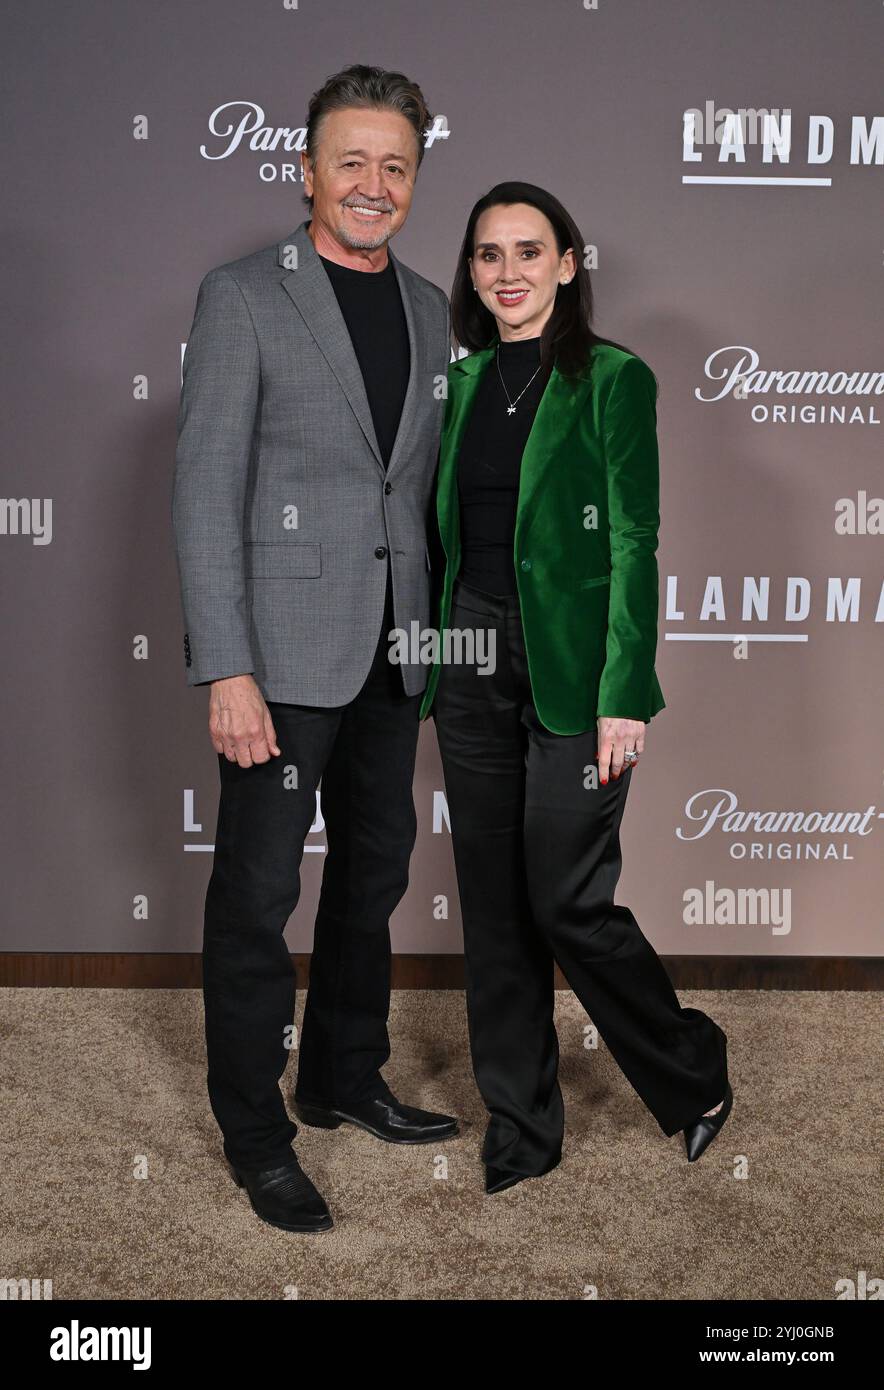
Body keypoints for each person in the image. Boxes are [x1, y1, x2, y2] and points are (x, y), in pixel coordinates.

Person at [172, 64, 457, 1234]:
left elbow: (419, 491)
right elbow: (203, 488)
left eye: (394, 166)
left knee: (375, 872)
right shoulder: (243, 294)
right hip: (279, 658)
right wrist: (225, 665)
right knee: (255, 894)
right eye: (351, 161)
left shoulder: (434, 307)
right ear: (305, 171)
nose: (372, 185)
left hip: (395, 649)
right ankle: (256, 1133)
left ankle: (342, 1074)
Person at [421, 182, 733, 1194]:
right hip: (469, 653)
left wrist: (623, 689)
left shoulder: (611, 379)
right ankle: (520, 1122)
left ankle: (689, 1068)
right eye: (485, 255)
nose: (505, 272)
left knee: (563, 892)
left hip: (574, 665)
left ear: (566, 264)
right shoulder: (459, 385)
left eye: (527, 251)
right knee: (495, 902)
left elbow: (635, 540)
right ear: (470, 273)